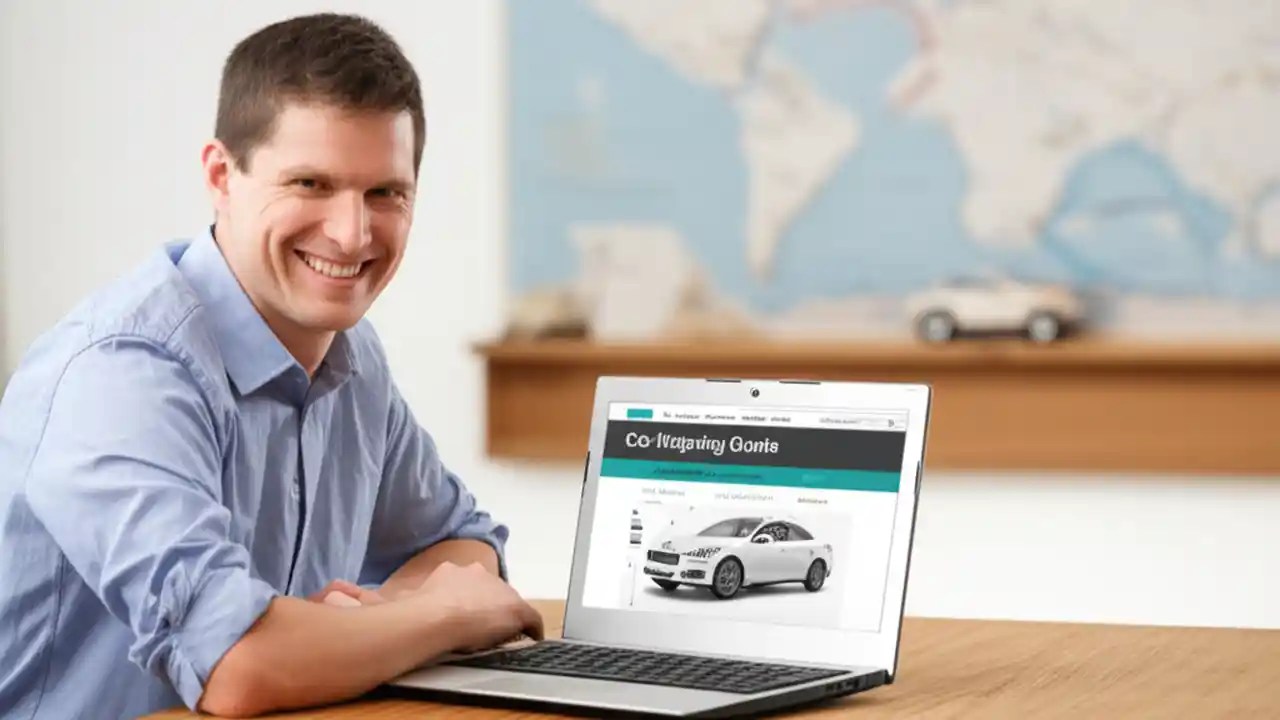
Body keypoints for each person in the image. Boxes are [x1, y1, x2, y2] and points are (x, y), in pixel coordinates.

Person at [0, 13, 542, 719]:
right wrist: (445, 619)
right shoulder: (119, 374)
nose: (352, 233)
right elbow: (237, 666)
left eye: (386, 192)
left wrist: (372, 619)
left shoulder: (352, 356)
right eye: (311, 183)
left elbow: (461, 545)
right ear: (222, 176)